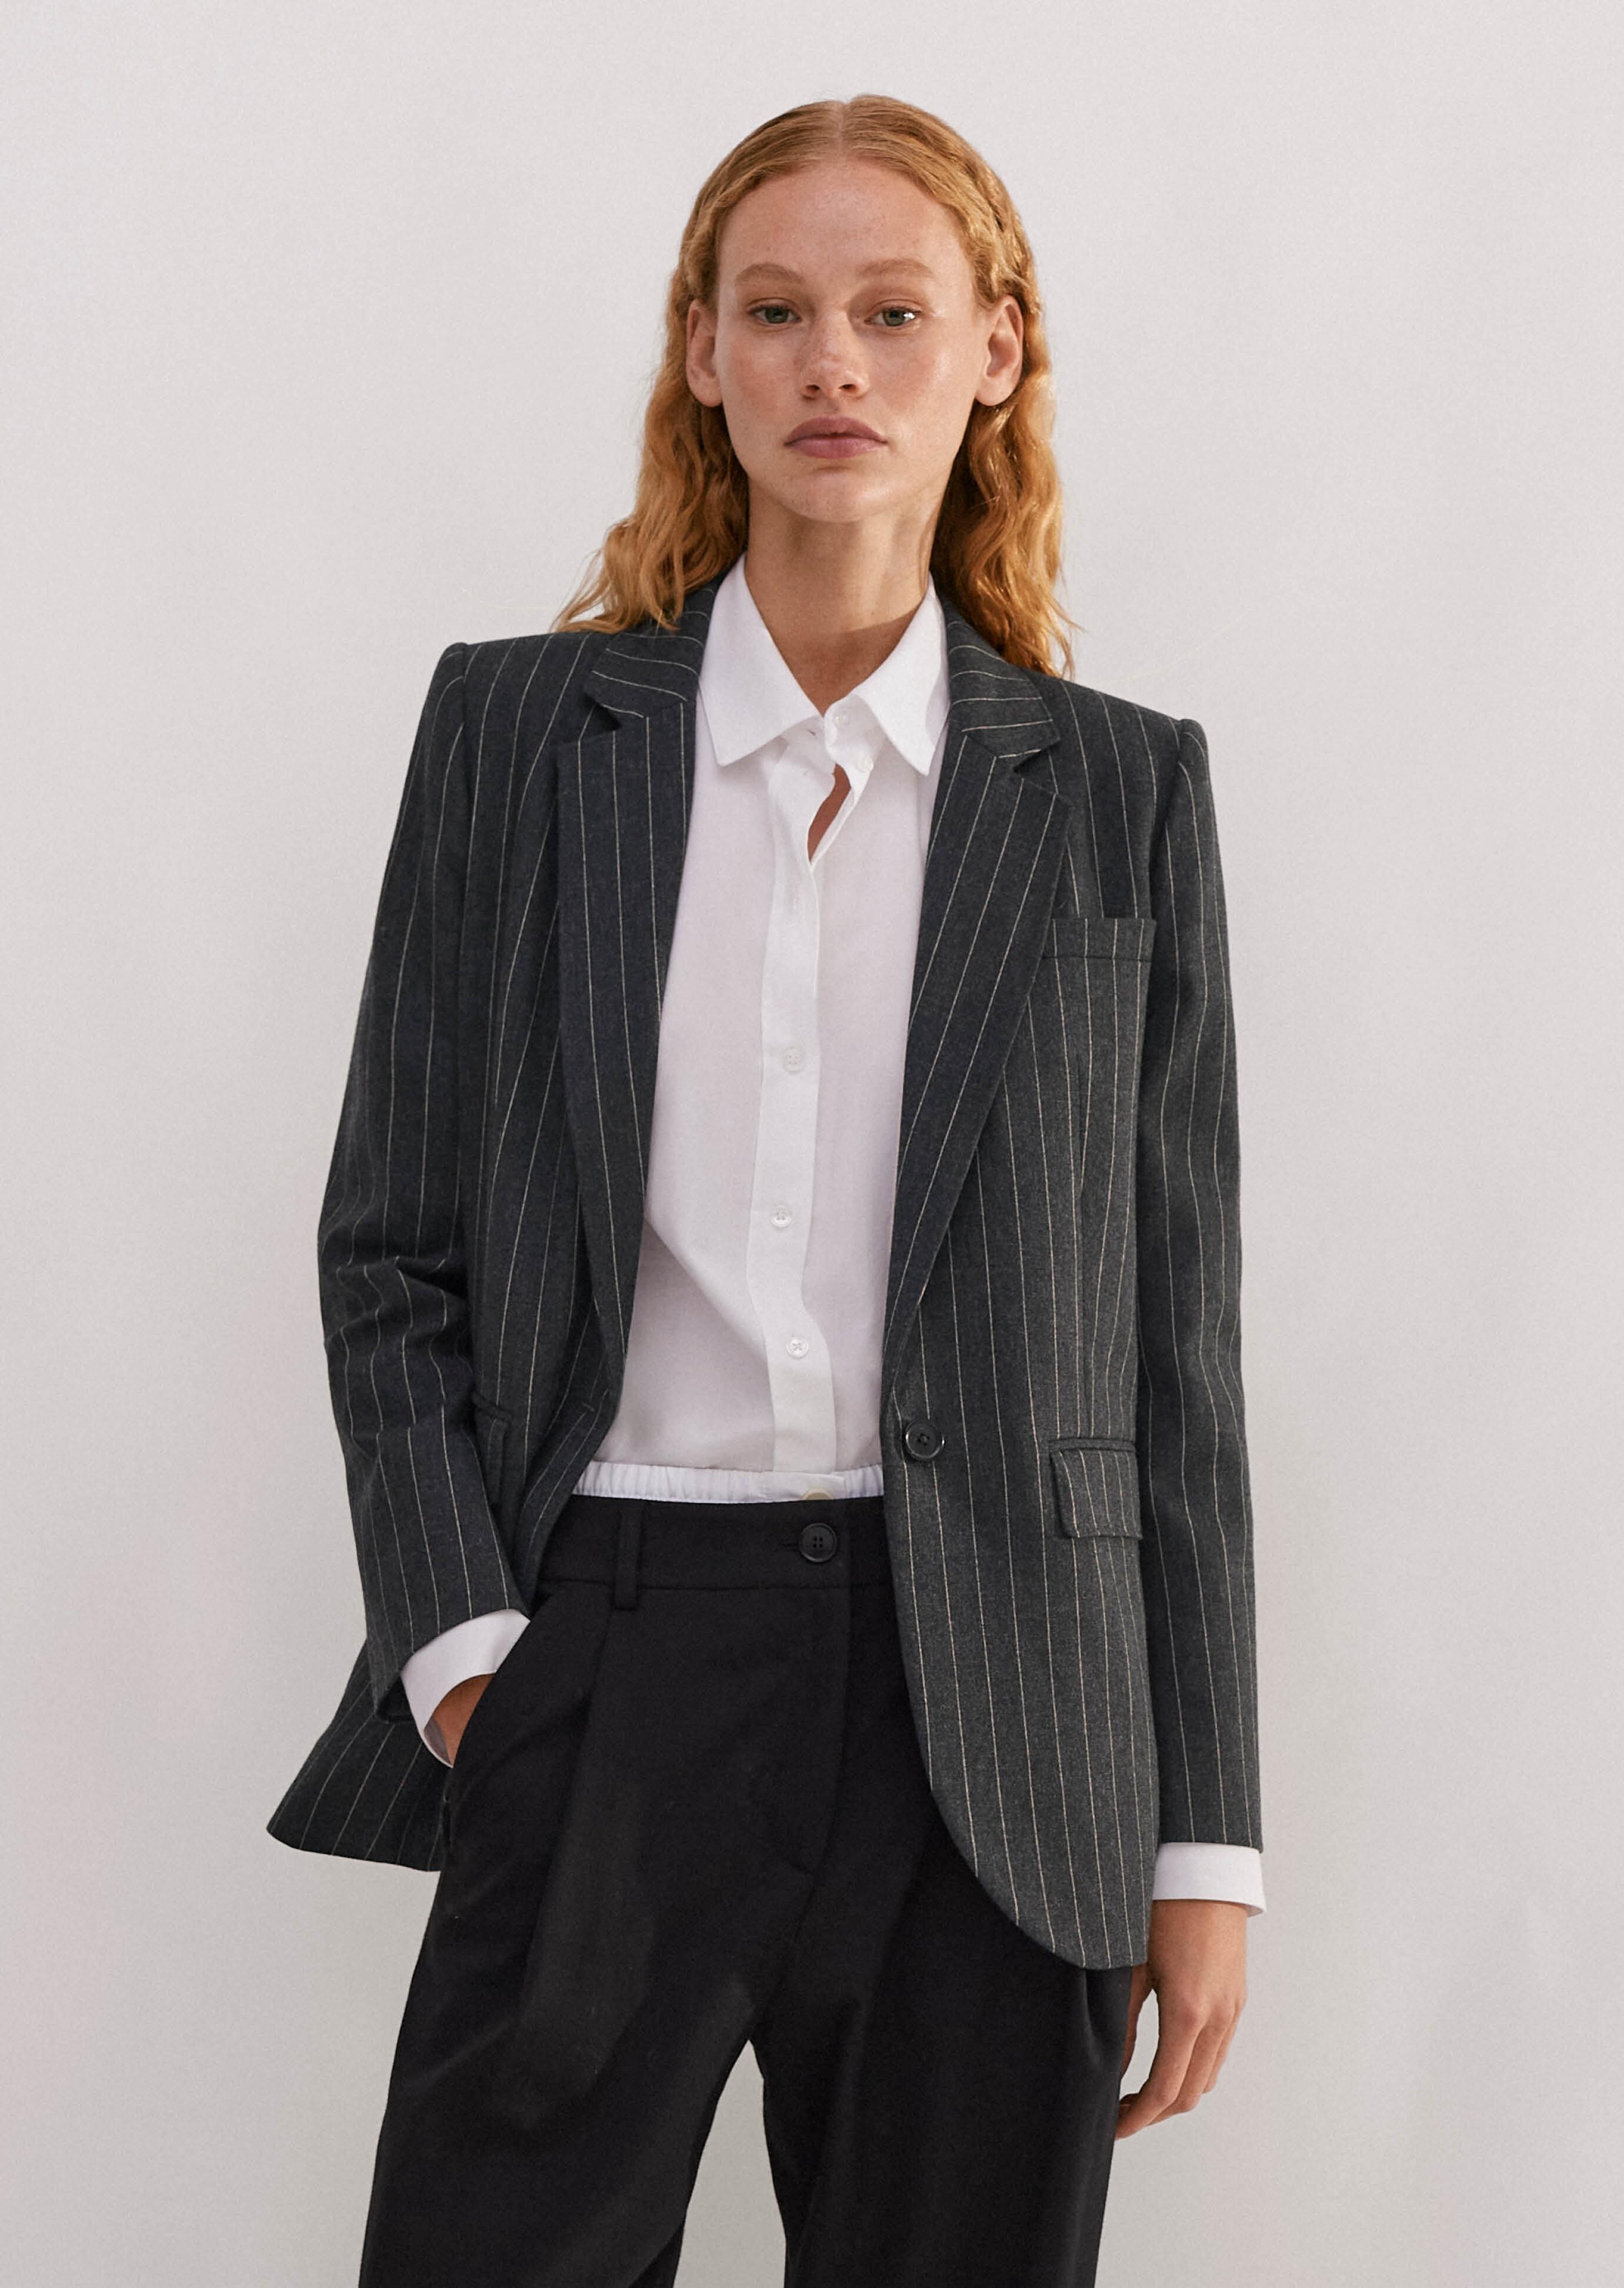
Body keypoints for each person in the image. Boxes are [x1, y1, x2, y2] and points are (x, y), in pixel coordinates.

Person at [268, 91, 1264, 2287]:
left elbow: (1169, 1355)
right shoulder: (521, 739)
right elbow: (390, 1254)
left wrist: (1205, 1835)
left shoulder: (1114, 791)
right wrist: (473, 1664)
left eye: (893, 313)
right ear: (701, 351)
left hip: (999, 1708)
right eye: (779, 310)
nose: (835, 363)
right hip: (607, 1654)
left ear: (993, 351)